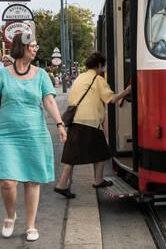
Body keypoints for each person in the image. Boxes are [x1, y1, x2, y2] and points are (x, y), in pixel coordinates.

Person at [0, 33, 66, 241]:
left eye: (36, 46)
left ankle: (30, 225)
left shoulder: (42, 74)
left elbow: (50, 102)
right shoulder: (3, 75)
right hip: (7, 134)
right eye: (33, 46)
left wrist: (60, 124)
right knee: (7, 181)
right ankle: (10, 215)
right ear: (22, 47)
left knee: (31, 180)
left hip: (35, 133)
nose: (36, 49)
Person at [53, 52, 131, 197]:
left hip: (76, 120)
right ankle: (98, 180)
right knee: (103, 153)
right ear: (99, 65)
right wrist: (126, 92)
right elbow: (111, 99)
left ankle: (62, 184)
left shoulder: (80, 77)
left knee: (72, 156)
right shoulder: (97, 79)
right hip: (91, 121)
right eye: (103, 66)